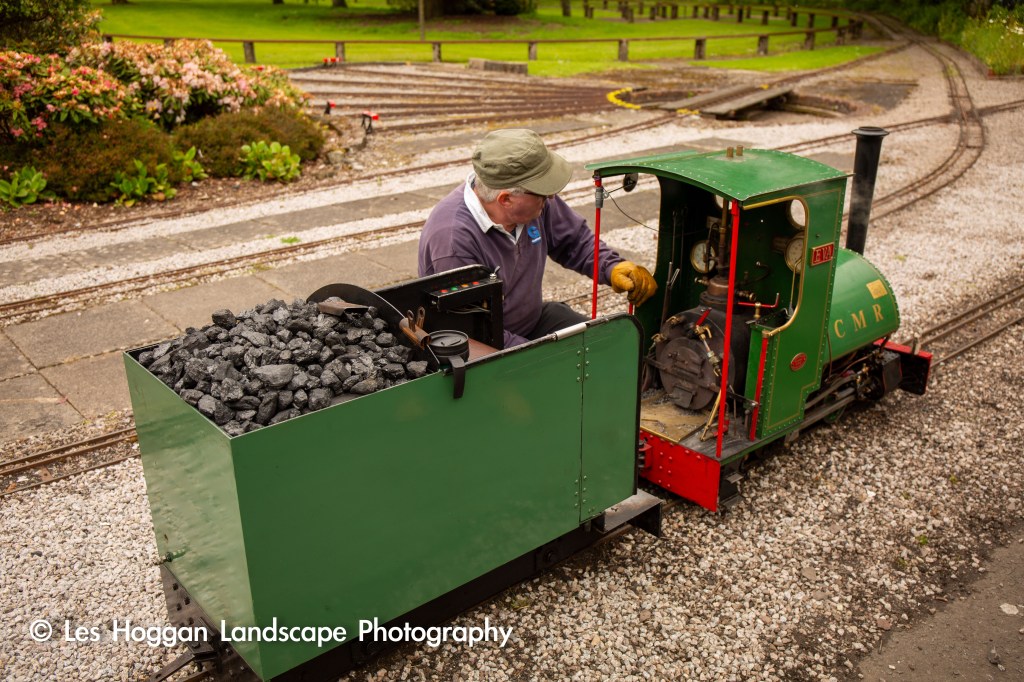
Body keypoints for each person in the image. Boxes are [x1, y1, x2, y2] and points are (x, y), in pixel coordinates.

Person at [418, 128, 656, 348]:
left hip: (530, 321)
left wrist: (612, 266)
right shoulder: (453, 240)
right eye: (543, 192)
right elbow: (475, 332)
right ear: (506, 199)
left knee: (604, 343)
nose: (551, 195)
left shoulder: (535, 204)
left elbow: (574, 241)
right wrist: (539, 355)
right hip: (482, 345)